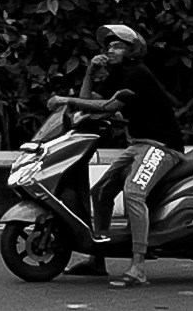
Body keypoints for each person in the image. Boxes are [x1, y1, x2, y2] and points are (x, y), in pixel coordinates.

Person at [45, 23, 185, 287]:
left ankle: (139, 266)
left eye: (117, 45)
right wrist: (88, 74)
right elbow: (90, 102)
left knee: (133, 192)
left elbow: (109, 106)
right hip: (138, 145)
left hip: (161, 146)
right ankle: (97, 261)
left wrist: (66, 99)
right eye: (108, 45)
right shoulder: (119, 74)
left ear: (131, 49)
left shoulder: (137, 73)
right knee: (101, 192)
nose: (110, 49)